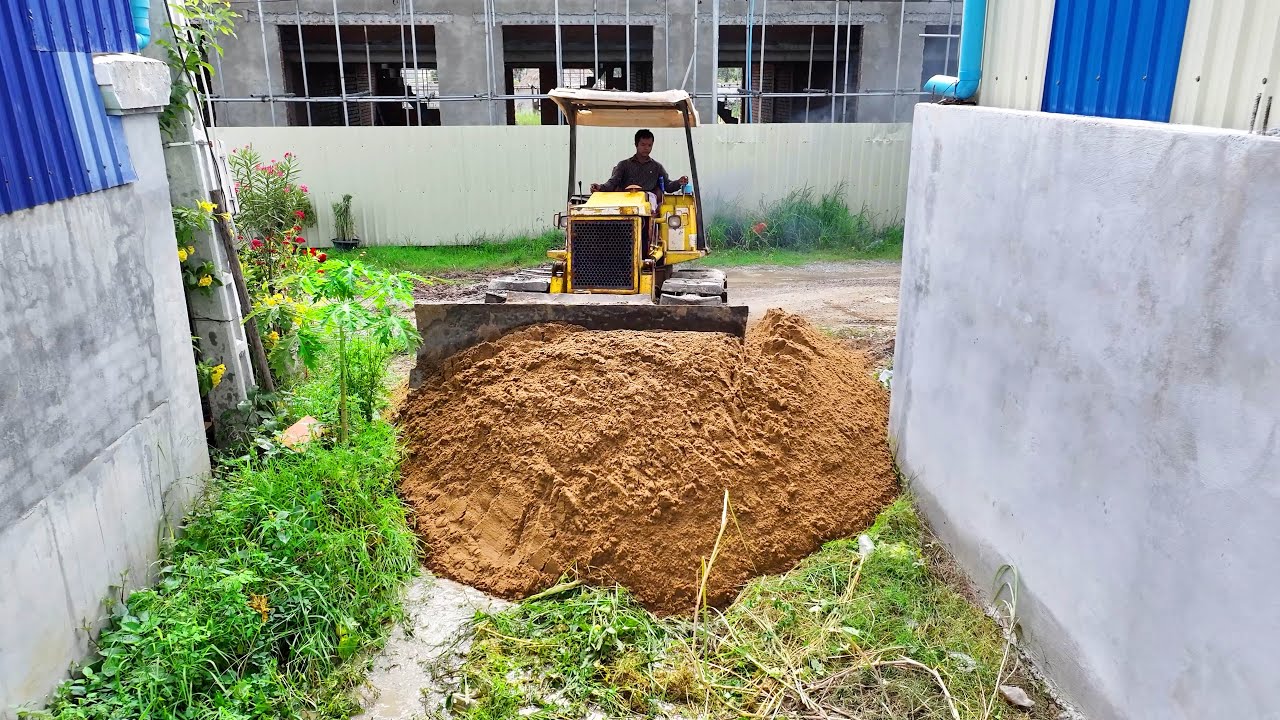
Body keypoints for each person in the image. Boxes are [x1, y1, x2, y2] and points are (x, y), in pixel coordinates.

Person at [591, 129, 689, 205]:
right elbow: (612, 183)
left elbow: (668, 186)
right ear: (636, 145)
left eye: (649, 145)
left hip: (649, 207)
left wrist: (679, 182)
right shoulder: (624, 165)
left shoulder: (657, 167)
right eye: (643, 144)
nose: (646, 148)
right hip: (625, 205)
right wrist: (600, 187)